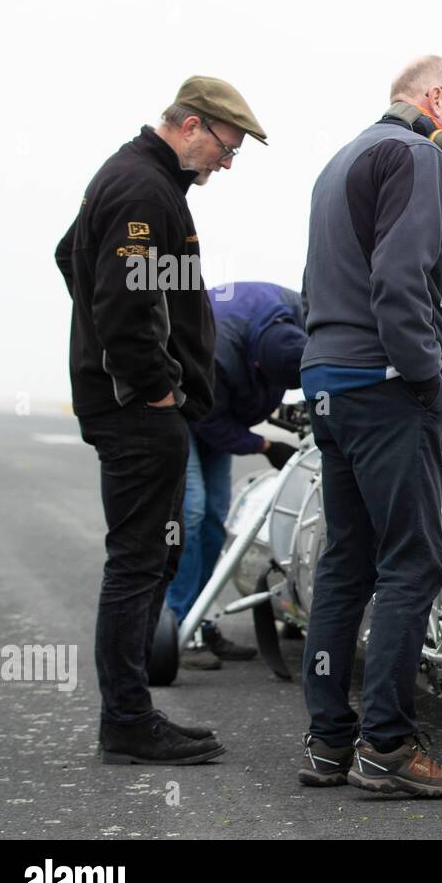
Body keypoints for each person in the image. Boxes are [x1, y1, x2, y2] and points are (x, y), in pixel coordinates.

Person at [56, 75, 267, 765]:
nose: (226, 165)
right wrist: (152, 388)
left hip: (139, 406)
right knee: (139, 560)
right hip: (137, 414)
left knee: (156, 553)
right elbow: (121, 301)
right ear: (190, 125)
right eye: (225, 149)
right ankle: (126, 718)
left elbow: (71, 256)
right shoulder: (144, 189)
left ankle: (132, 710)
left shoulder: (140, 180)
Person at [297, 56, 442, 796]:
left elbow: (328, 277)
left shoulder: (342, 160)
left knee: (346, 564)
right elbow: (400, 279)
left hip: (328, 379)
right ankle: (388, 749)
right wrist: (428, 376)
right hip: (383, 384)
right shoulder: (419, 154)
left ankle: (327, 743)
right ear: (434, 98)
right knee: (412, 564)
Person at [167, 281, 308, 670]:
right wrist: (265, 446)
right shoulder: (217, 351)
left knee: (215, 518)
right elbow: (209, 420)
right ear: (255, 361)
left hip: (222, 407)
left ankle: (203, 620)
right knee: (191, 512)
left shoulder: (299, 315)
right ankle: (179, 623)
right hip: (183, 412)